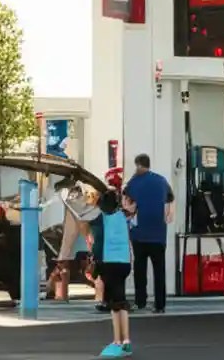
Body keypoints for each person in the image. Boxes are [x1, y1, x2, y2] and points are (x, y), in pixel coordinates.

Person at [122, 153, 174, 313]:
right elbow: (170, 198)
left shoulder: (134, 182)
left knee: (140, 270)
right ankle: (160, 305)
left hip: (139, 234)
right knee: (159, 271)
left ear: (138, 165)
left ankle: (140, 301)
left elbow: (125, 200)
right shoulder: (162, 181)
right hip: (159, 234)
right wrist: (167, 216)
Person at [89, 189, 133, 357]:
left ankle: (117, 342)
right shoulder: (122, 217)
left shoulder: (102, 219)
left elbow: (97, 243)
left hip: (109, 263)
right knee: (121, 301)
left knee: (114, 306)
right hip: (124, 262)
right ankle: (126, 341)